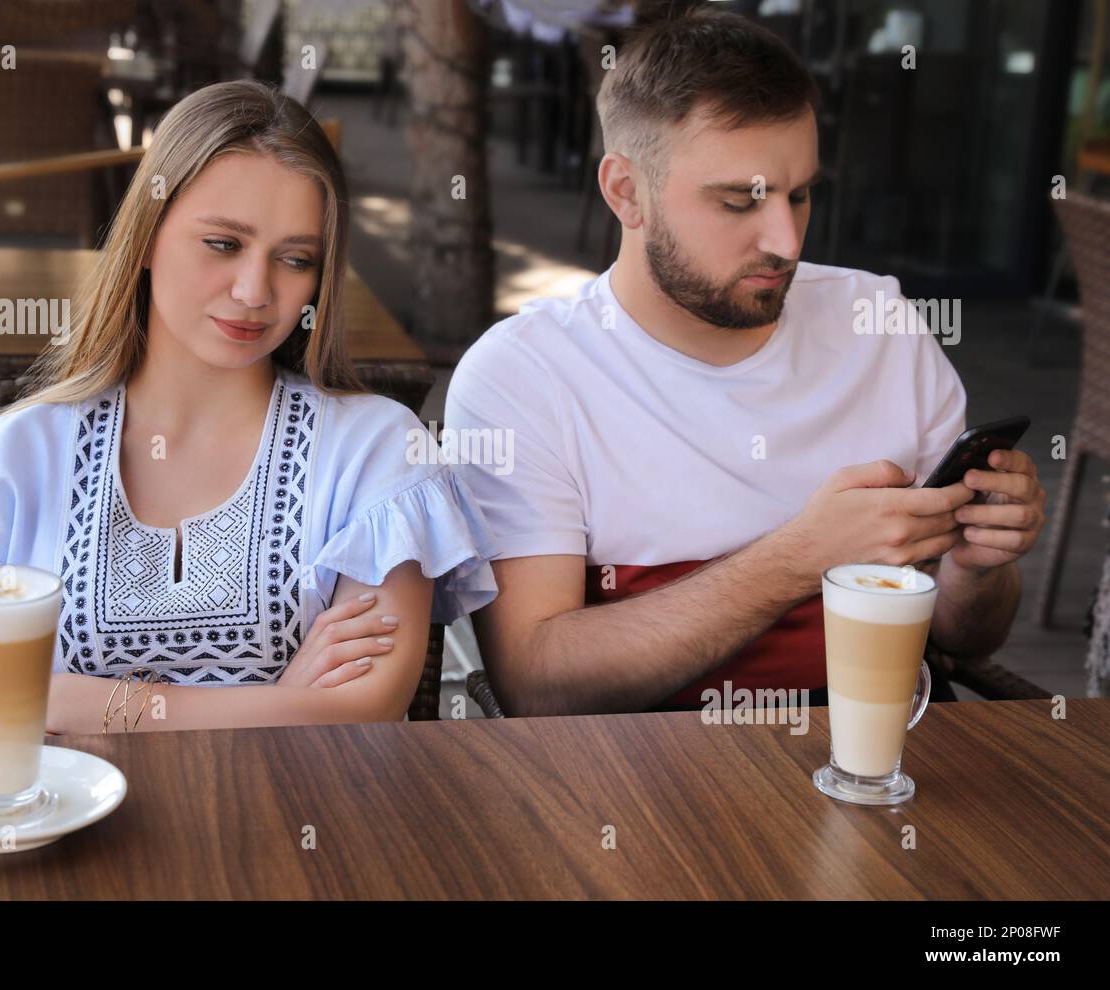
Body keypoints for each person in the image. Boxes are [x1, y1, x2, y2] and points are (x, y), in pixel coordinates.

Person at [444, 8, 1047, 717]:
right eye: (740, 202)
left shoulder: (878, 321)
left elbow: (962, 637)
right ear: (626, 193)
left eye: (801, 194)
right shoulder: (525, 377)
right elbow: (535, 681)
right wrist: (797, 559)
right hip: (646, 777)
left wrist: (976, 572)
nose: (786, 242)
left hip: (882, 749)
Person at [0, 80, 497, 735]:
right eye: (223, 244)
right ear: (144, 237)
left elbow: (366, 709)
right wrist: (281, 701)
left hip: (295, 832)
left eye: (296, 258)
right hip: (58, 835)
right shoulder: (17, 453)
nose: (255, 291)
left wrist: (53, 699)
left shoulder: (376, 450)